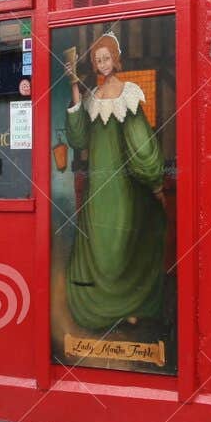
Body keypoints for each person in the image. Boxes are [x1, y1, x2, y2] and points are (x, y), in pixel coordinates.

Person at [63, 32, 166, 329]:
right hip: (98, 190)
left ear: (116, 59)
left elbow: (141, 144)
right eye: (97, 59)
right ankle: (105, 312)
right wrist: (74, 87)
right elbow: (79, 138)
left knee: (119, 247)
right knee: (100, 247)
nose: (102, 63)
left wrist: (153, 178)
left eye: (106, 58)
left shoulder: (128, 94)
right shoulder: (92, 97)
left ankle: (130, 307)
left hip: (122, 188)